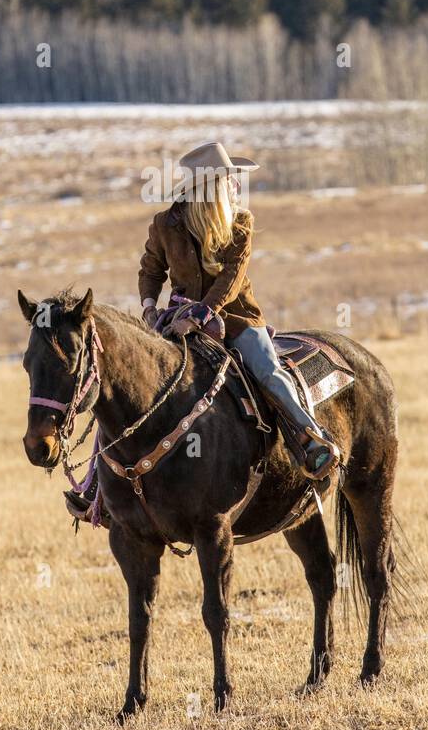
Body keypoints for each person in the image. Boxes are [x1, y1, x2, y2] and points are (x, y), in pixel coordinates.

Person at [139, 140, 339, 478]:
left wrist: (200, 316)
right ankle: (101, 480)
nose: (235, 185)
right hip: (177, 319)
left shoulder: (241, 223)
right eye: (230, 179)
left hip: (236, 318)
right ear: (213, 186)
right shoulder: (164, 225)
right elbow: (150, 269)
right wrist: (148, 308)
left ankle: (310, 439)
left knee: (267, 371)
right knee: (137, 376)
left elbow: (231, 279)